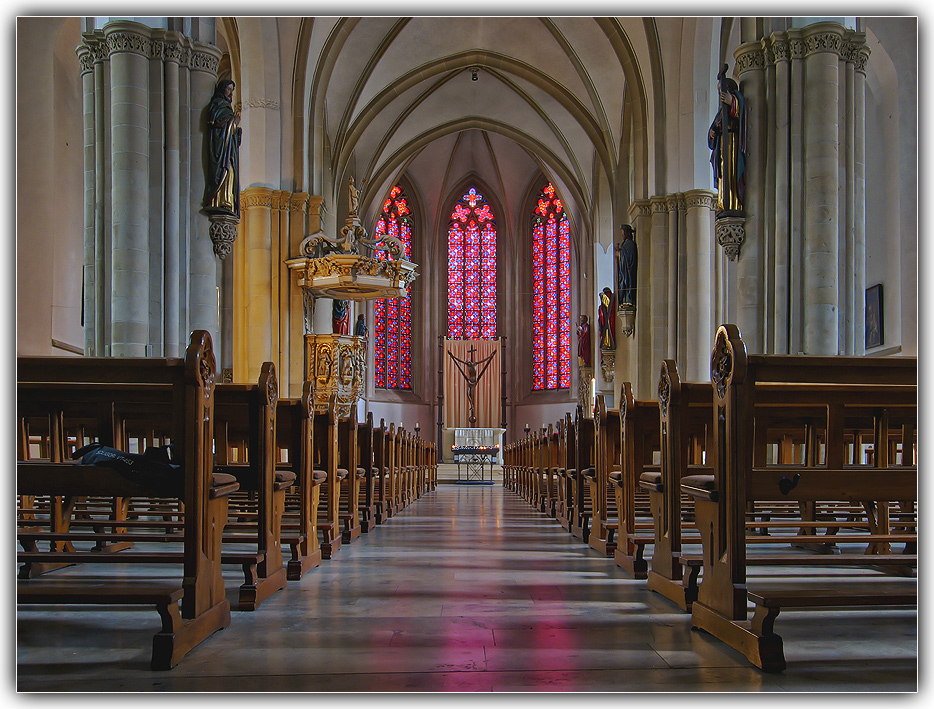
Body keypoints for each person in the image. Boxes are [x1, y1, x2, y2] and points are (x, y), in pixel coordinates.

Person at [707, 66, 746, 215]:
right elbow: (714, 130)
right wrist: (712, 133)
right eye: (719, 92)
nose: (720, 94)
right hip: (722, 146)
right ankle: (723, 203)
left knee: (731, 172)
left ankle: (734, 202)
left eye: (722, 91)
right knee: (723, 174)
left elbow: (742, 114)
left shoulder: (735, 101)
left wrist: (733, 102)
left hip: (732, 143)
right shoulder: (720, 112)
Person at [203, 79, 242, 218]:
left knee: (231, 172)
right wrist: (233, 122)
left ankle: (228, 201)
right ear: (222, 89)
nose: (231, 93)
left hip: (228, 150)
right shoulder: (218, 105)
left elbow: (230, 130)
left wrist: (236, 130)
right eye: (229, 89)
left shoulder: (227, 108)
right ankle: (219, 200)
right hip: (220, 149)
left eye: (232, 90)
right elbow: (216, 124)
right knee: (225, 171)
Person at [617, 225, 637, 307]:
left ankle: (628, 301)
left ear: (627, 233)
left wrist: (620, 254)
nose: (622, 234)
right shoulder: (625, 244)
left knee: (626, 285)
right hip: (623, 273)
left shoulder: (630, 244)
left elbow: (629, 259)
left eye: (623, 232)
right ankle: (624, 302)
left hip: (627, 273)